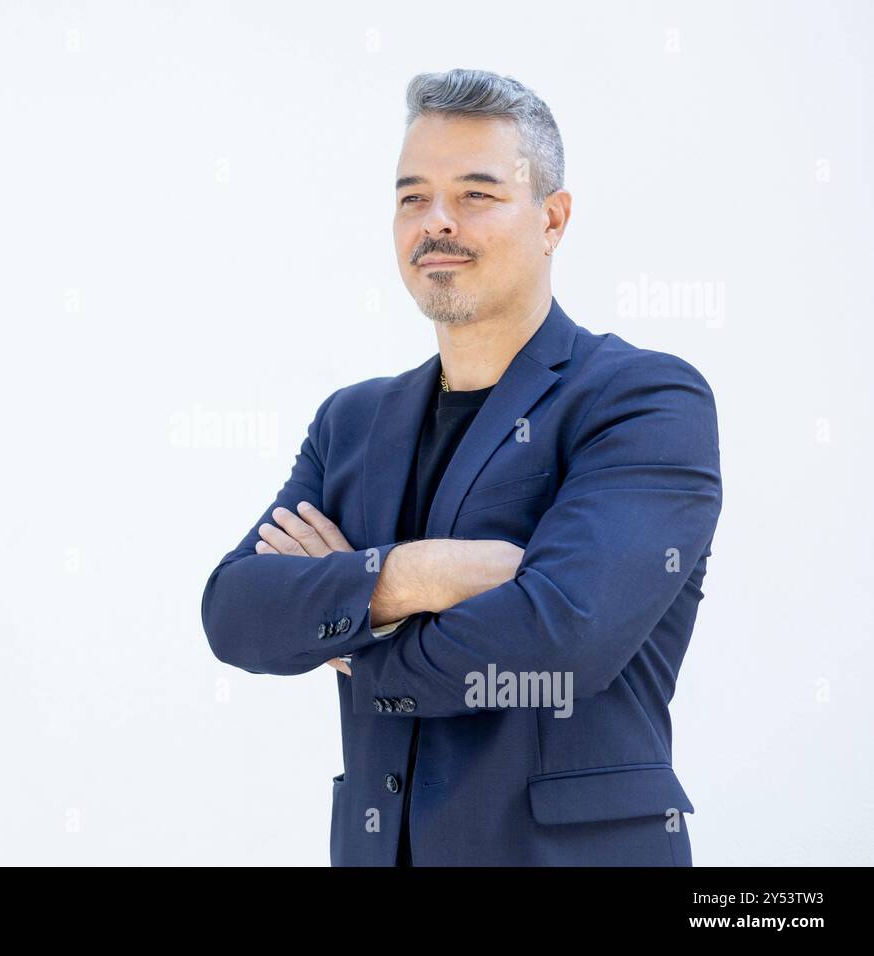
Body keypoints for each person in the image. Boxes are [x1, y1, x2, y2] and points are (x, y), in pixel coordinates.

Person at [200, 68, 722, 866]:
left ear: (552, 219)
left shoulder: (643, 400)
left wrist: (348, 625)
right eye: (413, 197)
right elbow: (235, 612)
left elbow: (561, 637)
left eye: (476, 193)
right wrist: (418, 575)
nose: (436, 222)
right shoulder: (352, 421)